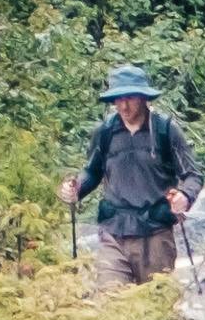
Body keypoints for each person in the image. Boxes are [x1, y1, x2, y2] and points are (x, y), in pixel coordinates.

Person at [62, 64, 196, 286]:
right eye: (118, 99)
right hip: (114, 232)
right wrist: (77, 188)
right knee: (112, 304)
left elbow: (193, 175)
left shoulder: (165, 130)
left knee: (155, 308)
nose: (123, 105)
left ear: (144, 98)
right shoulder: (104, 132)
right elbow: (92, 171)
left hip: (155, 235)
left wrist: (185, 195)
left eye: (130, 98)